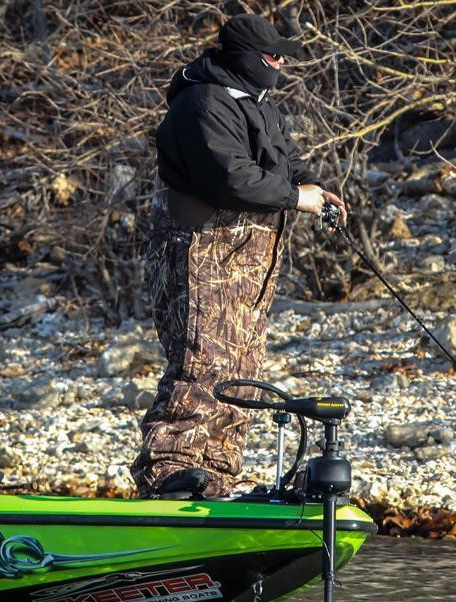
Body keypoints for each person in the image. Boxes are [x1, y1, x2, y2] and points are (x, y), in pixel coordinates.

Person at [131, 13, 346, 499]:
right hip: (203, 253)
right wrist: (297, 198)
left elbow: (286, 163)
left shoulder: (258, 104)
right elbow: (231, 179)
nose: (279, 64)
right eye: (272, 56)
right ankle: (169, 473)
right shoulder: (203, 102)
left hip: (250, 261)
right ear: (244, 58)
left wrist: (315, 190)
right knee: (202, 361)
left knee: (242, 370)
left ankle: (215, 477)